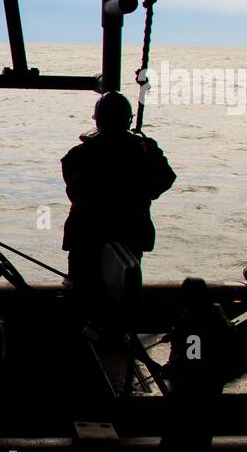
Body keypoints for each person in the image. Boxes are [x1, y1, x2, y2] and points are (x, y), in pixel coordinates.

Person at [61, 91, 176, 306]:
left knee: (82, 298)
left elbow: (74, 191)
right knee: (123, 297)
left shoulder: (79, 154)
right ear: (128, 120)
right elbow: (165, 179)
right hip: (128, 235)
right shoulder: (143, 151)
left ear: (98, 120)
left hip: (86, 236)